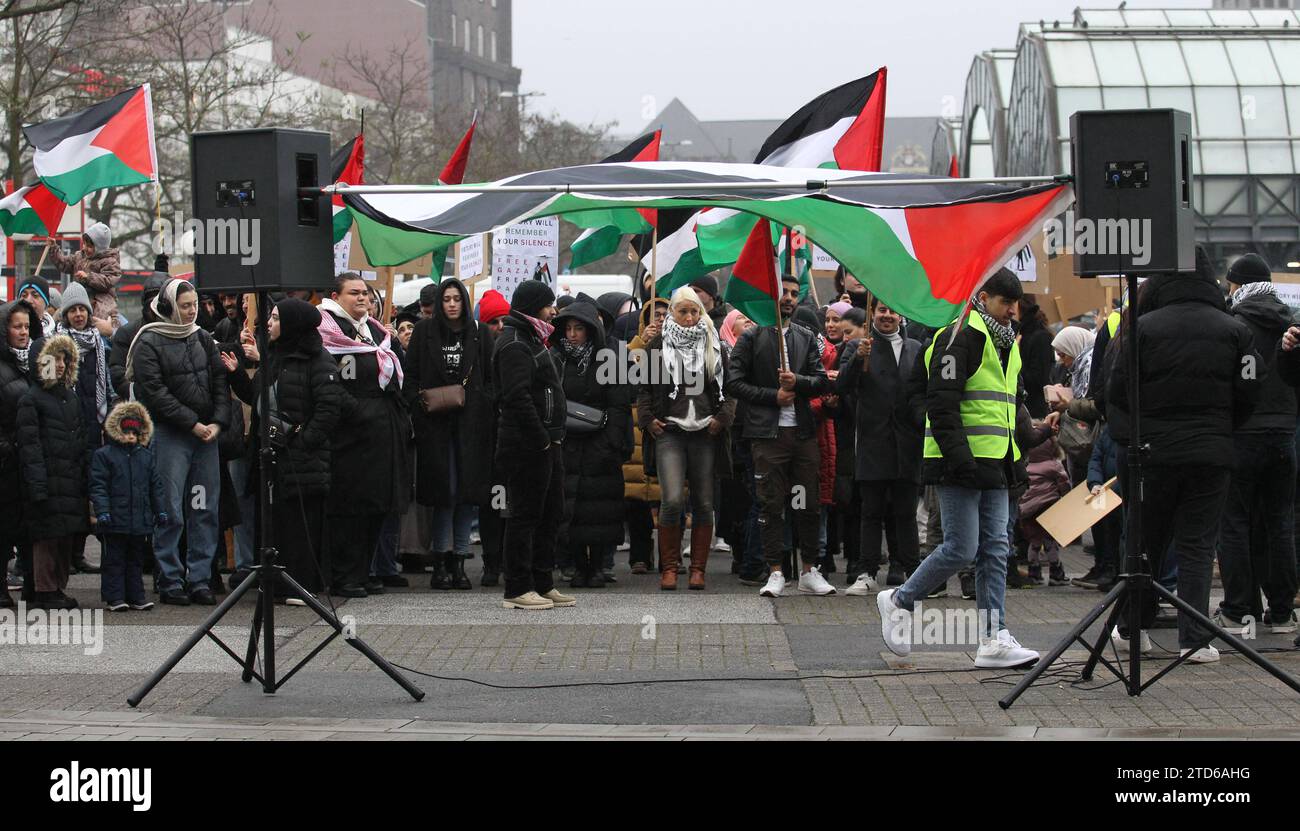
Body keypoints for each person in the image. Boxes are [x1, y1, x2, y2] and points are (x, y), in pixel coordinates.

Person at [877, 269, 1041, 668]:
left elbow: (1008, 406)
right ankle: (900, 600)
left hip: (994, 462)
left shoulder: (1004, 343)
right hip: (961, 462)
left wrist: (1022, 448)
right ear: (984, 298)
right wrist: (960, 458)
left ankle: (993, 637)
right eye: (1005, 303)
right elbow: (942, 405)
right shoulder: (959, 337)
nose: (1012, 312)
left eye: (1015, 304)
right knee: (961, 548)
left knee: (995, 548)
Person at [1108, 261, 1263, 662]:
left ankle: (1132, 629)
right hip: (1211, 452)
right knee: (1197, 544)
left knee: (1146, 543)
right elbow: (1250, 390)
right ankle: (1193, 638)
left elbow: (1118, 388)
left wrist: (1142, 428)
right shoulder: (1235, 330)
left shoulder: (1142, 328)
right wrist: (1223, 426)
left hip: (1153, 452)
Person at [725, 273, 835, 598]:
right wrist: (773, 396)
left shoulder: (805, 336)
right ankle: (775, 570)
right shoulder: (752, 336)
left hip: (802, 436)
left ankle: (809, 570)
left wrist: (797, 382)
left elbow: (820, 380)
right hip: (768, 437)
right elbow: (733, 382)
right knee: (771, 505)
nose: (787, 298)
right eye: (782, 292)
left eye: (793, 293)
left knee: (806, 503)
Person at [224, 298, 343, 597]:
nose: (269, 323)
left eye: (276, 319)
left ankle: (301, 586)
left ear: (292, 324)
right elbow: (259, 400)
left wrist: (302, 442)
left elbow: (329, 408)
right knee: (274, 524)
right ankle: (274, 586)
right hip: (272, 460)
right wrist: (237, 373)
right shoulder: (274, 357)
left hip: (302, 461)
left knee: (300, 525)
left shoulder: (319, 360)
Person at [126, 278, 230, 606]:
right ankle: (170, 579)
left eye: (194, 305)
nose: (192, 311)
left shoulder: (203, 338)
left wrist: (217, 422)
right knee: (170, 510)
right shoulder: (149, 342)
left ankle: (199, 578)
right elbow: (155, 393)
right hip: (171, 436)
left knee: (204, 508)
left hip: (206, 437)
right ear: (169, 307)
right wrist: (192, 423)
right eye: (185, 306)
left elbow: (219, 382)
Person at [1217, 254, 1300, 634]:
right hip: (1284, 435)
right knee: (1280, 523)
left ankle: (1239, 611)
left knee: (1234, 523)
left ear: (1237, 285)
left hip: (1242, 435)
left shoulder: (1232, 324)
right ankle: (1282, 611)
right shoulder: (1290, 323)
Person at [318, 273, 412, 598]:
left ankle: (364, 570)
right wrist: (358, 411)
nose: (362, 299)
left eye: (366, 294)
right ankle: (344, 575)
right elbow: (331, 382)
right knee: (350, 508)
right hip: (349, 435)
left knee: (377, 504)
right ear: (335, 297)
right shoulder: (327, 330)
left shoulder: (375, 331)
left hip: (382, 432)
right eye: (354, 293)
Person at [638, 287, 733, 590]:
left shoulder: (714, 343)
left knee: (704, 502)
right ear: (673, 313)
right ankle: (669, 567)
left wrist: (722, 419)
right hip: (670, 433)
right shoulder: (657, 345)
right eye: (683, 311)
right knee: (672, 500)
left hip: (705, 433)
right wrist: (648, 420)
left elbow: (730, 388)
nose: (690, 317)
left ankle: (698, 570)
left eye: (694, 311)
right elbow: (643, 389)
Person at [405, 278, 495, 591]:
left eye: (457, 299)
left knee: (467, 495)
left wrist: (483, 407)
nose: (452, 304)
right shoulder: (424, 332)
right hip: (436, 424)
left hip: (471, 426)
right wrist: (419, 407)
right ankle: (440, 562)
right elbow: (411, 375)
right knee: (444, 494)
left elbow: (491, 377)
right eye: (447, 299)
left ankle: (460, 562)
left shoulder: (479, 332)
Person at [493, 280, 573, 610]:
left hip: (548, 442)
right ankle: (517, 587)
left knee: (550, 513)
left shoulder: (533, 338)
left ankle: (542, 582)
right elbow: (517, 396)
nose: (553, 311)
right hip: (527, 444)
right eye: (548, 304)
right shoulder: (514, 342)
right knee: (525, 516)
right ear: (533, 306)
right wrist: (540, 438)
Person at [838, 298, 923, 596]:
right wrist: (855, 359)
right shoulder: (859, 347)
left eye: (892, 310)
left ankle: (914, 575)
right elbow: (841, 387)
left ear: (901, 315)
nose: (887, 316)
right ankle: (867, 573)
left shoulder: (915, 348)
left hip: (907, 445)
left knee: (906, 513)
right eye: (882, 310)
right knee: (871, 512)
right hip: (872, 442)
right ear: (872, 313)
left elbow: (921, 392)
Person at [552, 299, 630, 588]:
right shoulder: (557, 359)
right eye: (568, 329)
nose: (572, 335)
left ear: (590, 330)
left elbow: (619, 404)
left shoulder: (608, 359)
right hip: (568, 443)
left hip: (600, 443)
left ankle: (597, 565)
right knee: (571, 511)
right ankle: (578, 566)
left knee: (600, 511)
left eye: (579, 329)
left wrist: (610, 443)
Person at [17, 335, 88, 610]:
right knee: (46, 537)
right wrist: (37, 485)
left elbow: (80, 440)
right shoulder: (32, 399)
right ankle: (45, 590)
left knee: (64, 536)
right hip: (46, 480)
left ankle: (54, 587)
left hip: (68, 478)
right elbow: (30, 447)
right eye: (54, 359)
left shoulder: (70, 397)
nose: (59, 365)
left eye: (63, 359)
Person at [89, 401, 165, 611]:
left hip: (139, 520)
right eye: (126, 432)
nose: (130, 436)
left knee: (135, 560)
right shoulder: (105, 455)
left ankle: (136, 595)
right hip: (114, 520)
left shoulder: (145, 457)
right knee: (114, 560)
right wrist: (102, 511)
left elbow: (155, 487)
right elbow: (98, 486)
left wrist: (160, 510)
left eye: (134, 433)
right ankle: (115, 597)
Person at [622, 299, 669, 575]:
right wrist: (642, 345)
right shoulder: (632, 348)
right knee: (637, 498)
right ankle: (640, 555)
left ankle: (669, 556)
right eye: (655, 315)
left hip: (666, 425)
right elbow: (626, 381)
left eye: (665, 315)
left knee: (669, 496)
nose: (660, 319)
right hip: (638, 428)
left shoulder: (679, 346)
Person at [0, 301, 35, 608]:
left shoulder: (34, 363)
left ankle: (34, 587)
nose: (23, 332)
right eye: (16, 327)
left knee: (29, 526)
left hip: (29, 459)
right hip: (7, 461)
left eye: (26, 326)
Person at [55, 282, 114, 452]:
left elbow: (107, 386)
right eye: (73, 310)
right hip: (67, 426)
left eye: (82, 309)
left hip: (95, 424)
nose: (78, 314)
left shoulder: (99, 342)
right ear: (66, 315)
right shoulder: (56, 344)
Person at [48, 222, 120, 334]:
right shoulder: (79, 256)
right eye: (84, 244)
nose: (85, 248)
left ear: (100, 247)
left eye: (90, 246)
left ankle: (101, 335)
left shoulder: (110, 261)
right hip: (79, 295)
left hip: (100, 298)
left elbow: (109, 280)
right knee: (59, 314)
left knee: (101, 314)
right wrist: (54, 249)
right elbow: (64, 264)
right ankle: (52, 332)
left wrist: (89, 277)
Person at [1018, 435, 1071, 585]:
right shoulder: (1054, 465)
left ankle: (1034, 572)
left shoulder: (1026, 466)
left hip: (1029, 510)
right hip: (1049, 508)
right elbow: (1064, 483)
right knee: (1050, 540)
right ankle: (1056, 573)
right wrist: (1066, 496)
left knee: (1034, 541)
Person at [109, 271, 169, 400]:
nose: (155, 309)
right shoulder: (127, 333)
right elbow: (118, 374)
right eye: (151, 302)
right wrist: (141, 394)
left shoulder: (184, 331)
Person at [1018, 298, 1055, 419]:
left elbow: (1038, 378)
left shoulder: (1040, 337)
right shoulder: (1021, 333)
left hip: (1034, 411)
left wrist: (1016, 356)